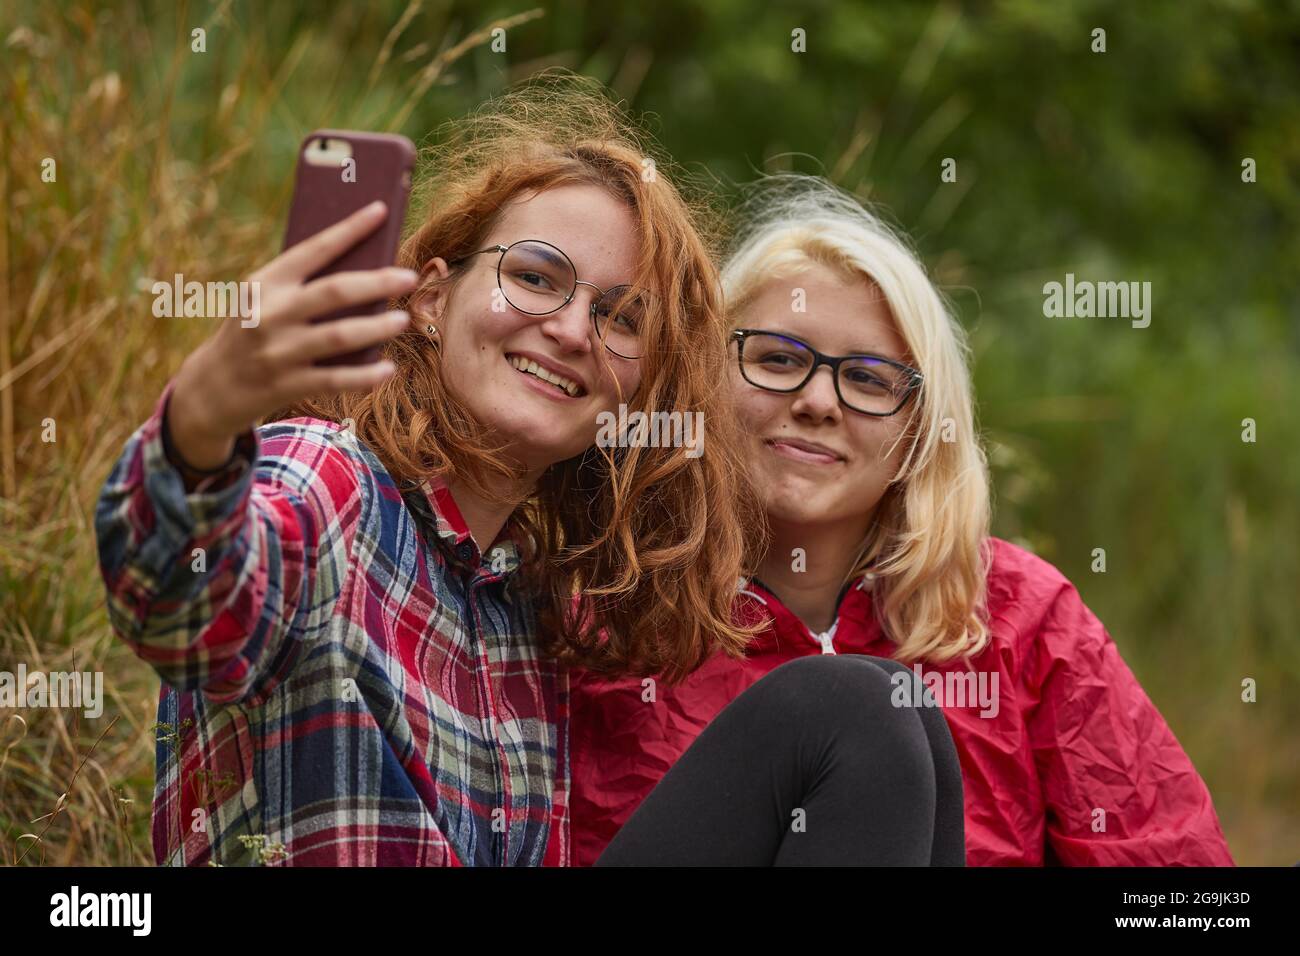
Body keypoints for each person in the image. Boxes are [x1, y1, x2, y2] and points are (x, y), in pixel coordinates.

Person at [93, 77, 755, 866]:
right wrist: (200, 418)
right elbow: (177, 611)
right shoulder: (329, 477)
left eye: (621, 316)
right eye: (537, 277)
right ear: (433, 300)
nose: (574, 329)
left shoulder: (527, 615)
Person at [568, 174, 1236, 867]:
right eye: (777, 358)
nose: (818, 399)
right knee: (858, 708)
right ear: (704, 374)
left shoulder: (1021, 618)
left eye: (867, 378)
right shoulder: (600, 606)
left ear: (922, 428)